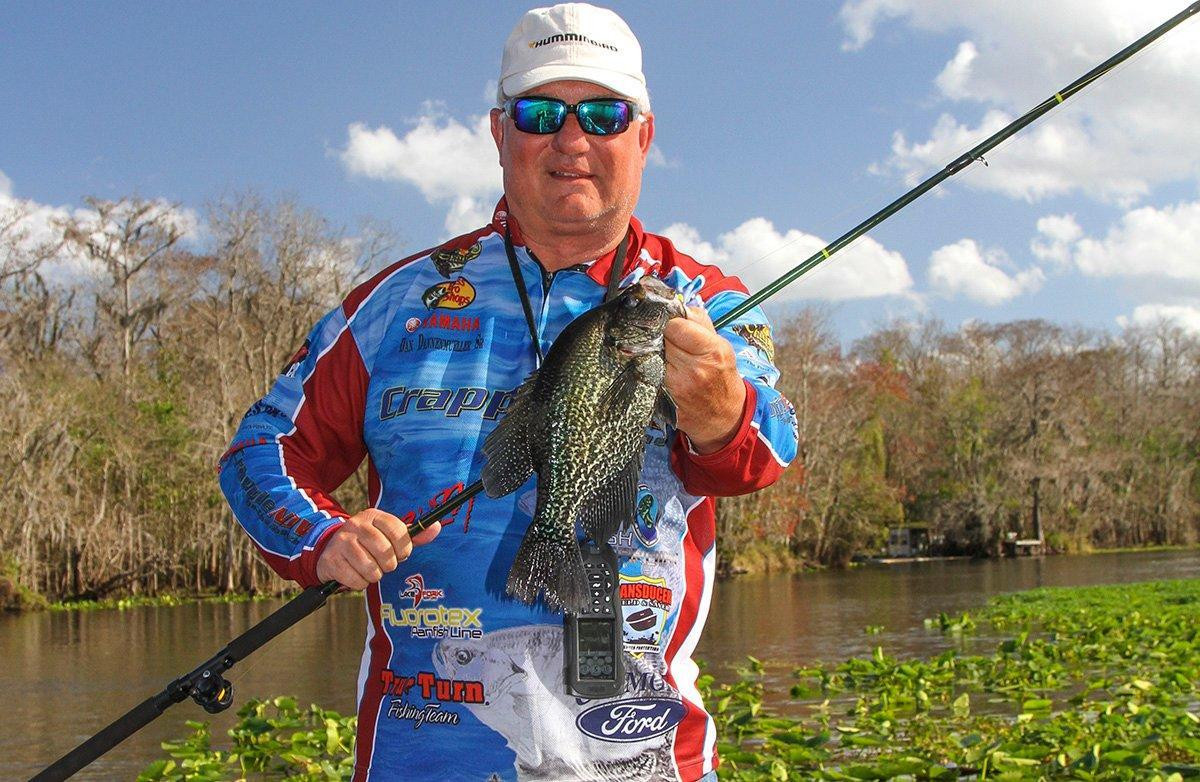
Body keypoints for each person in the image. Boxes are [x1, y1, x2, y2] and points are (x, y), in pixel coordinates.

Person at [219, 4, 798, 780]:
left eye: (602, 113)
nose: (571, 140)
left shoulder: (706, 302)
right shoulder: (395, 302)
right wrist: (326, 538)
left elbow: (772, 446)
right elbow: (260, 450)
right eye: (538, 114)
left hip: (644, 756)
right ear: (499, 134)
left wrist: (722, 411)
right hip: (421, 757)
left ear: (643, 137)